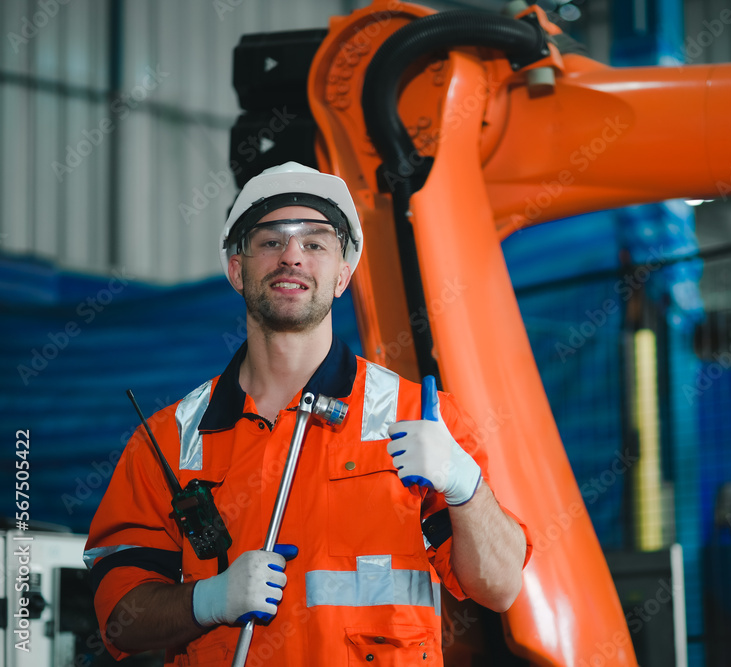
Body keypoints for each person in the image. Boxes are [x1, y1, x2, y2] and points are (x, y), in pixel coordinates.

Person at [84, 162, 531, 665]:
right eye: (270, 241)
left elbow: (499, 588)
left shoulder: (421, 417)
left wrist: (466, 487)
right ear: (237, 269)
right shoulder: (167, 439)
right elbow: (118, 619)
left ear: (343, 275)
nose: (292, 256)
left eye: (315, 243)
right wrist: (207, 601)